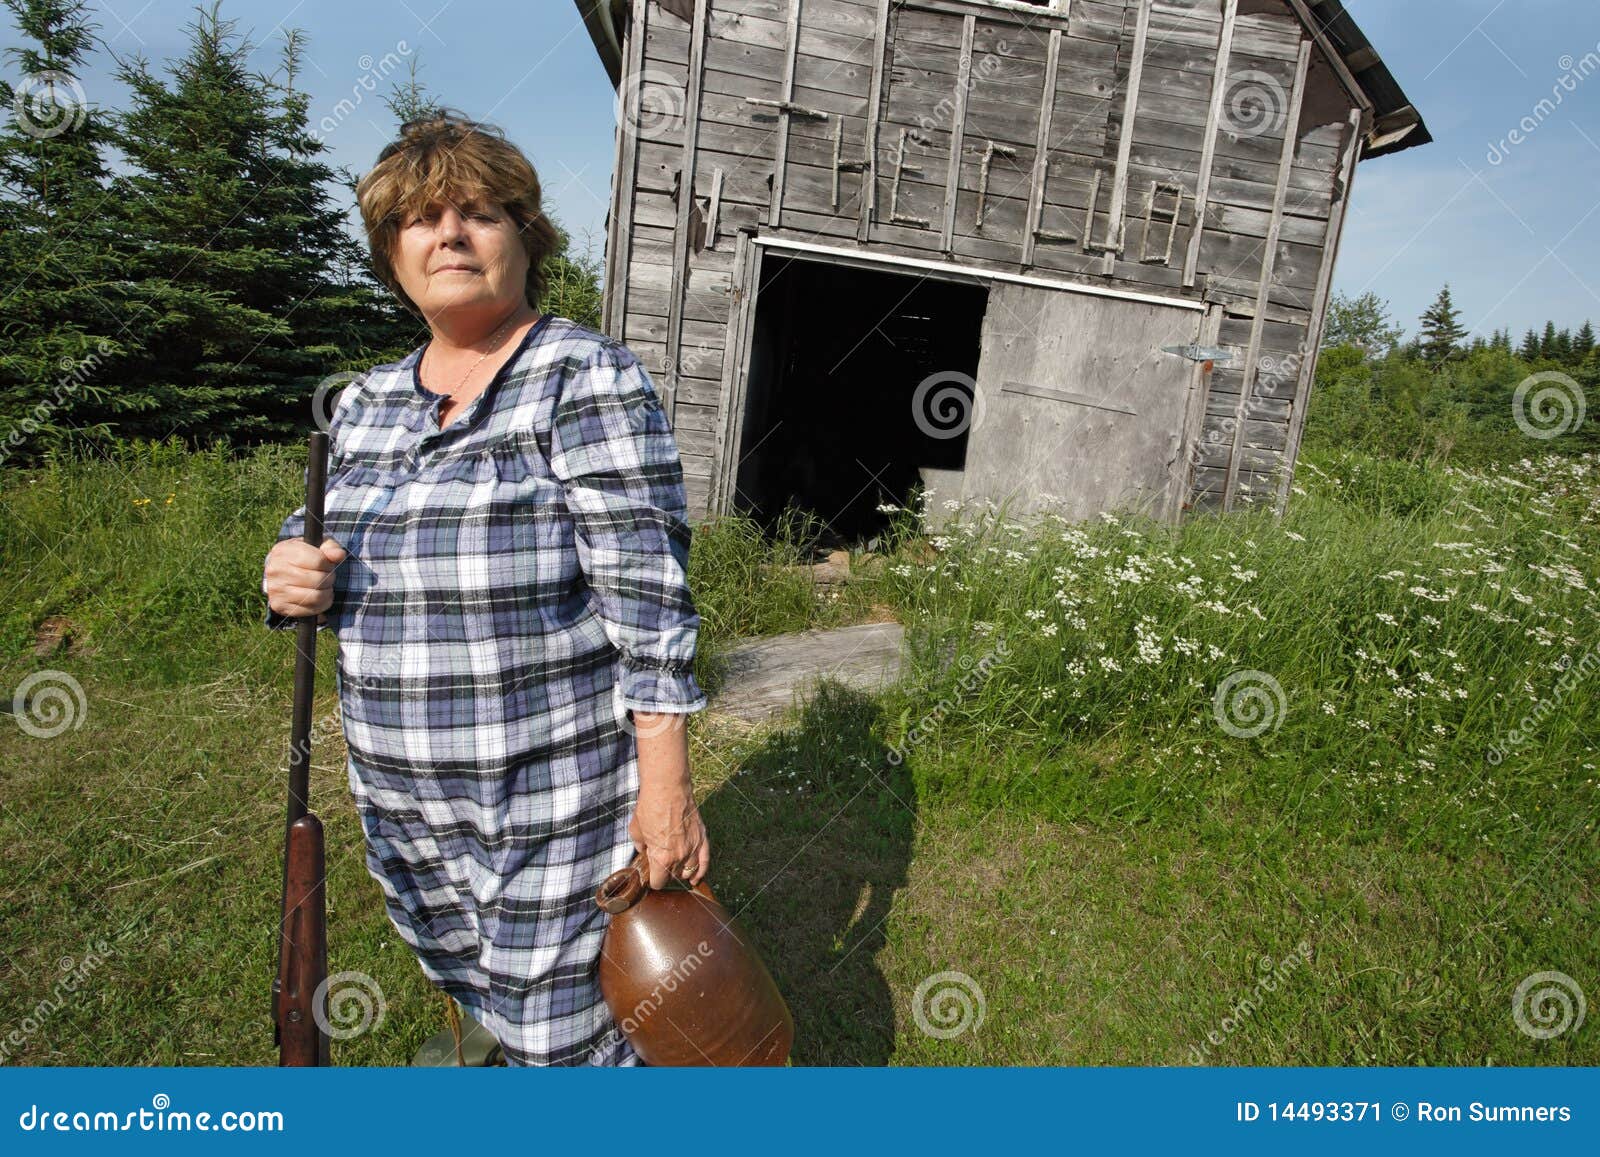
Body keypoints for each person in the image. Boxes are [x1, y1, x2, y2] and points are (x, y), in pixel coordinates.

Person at [261, 112, 710, 1066]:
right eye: (421, 218)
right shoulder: (368, 403)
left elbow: (648, 597)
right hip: (403, 801)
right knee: (480, 998)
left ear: (524, 239)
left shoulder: (581, 377)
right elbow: (334, 541)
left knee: (567, 1039)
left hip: (548, 796)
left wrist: (665, 789)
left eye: (478, 213)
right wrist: (291, 570)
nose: (450, 234)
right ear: (394, 253)